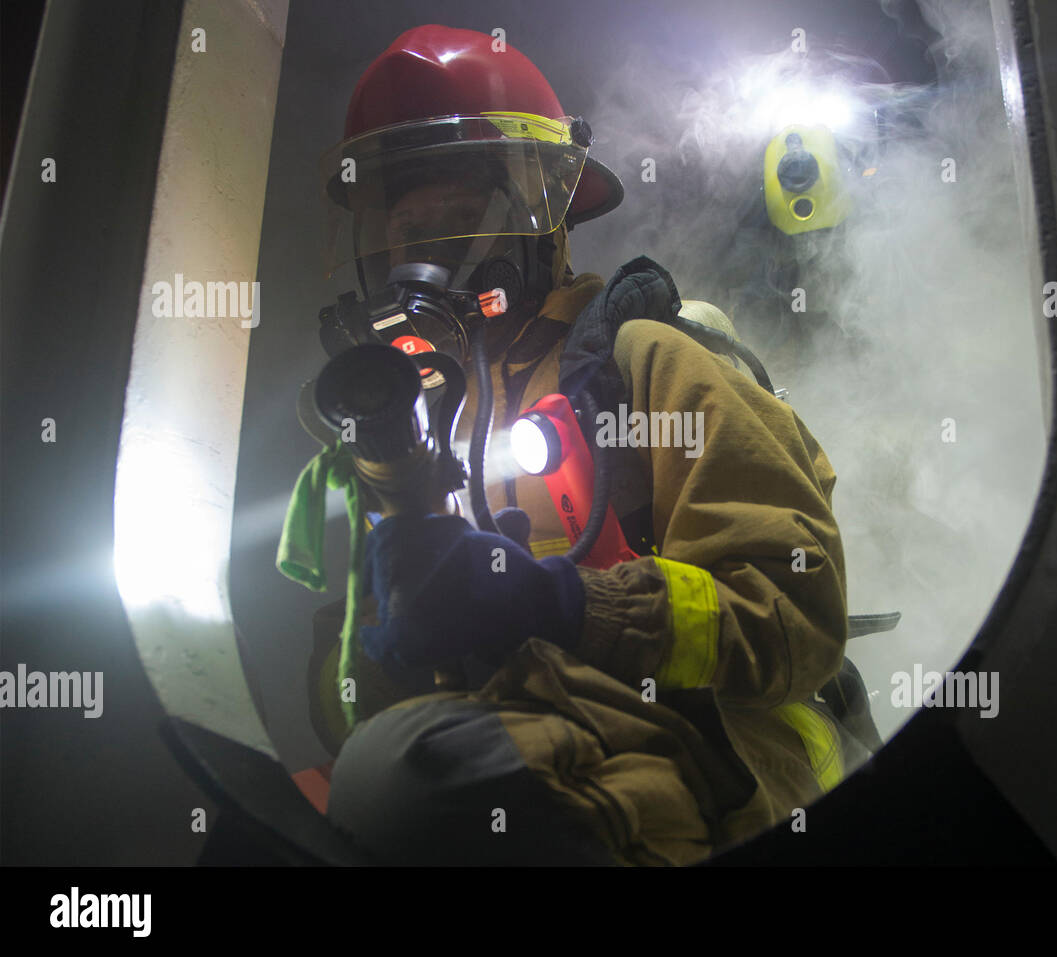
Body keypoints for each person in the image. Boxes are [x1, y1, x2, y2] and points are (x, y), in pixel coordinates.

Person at [302, 23, 882, 866]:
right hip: (523, 761)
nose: (422, 259)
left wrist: (565, 606)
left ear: (543, 221)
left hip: (716, 768)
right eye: (404, 227)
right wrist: (385, 643)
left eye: (459, 218)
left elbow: (796, 616)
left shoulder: (644, 365)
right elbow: (343, 708)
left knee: (406, 786)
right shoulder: (397, 432)